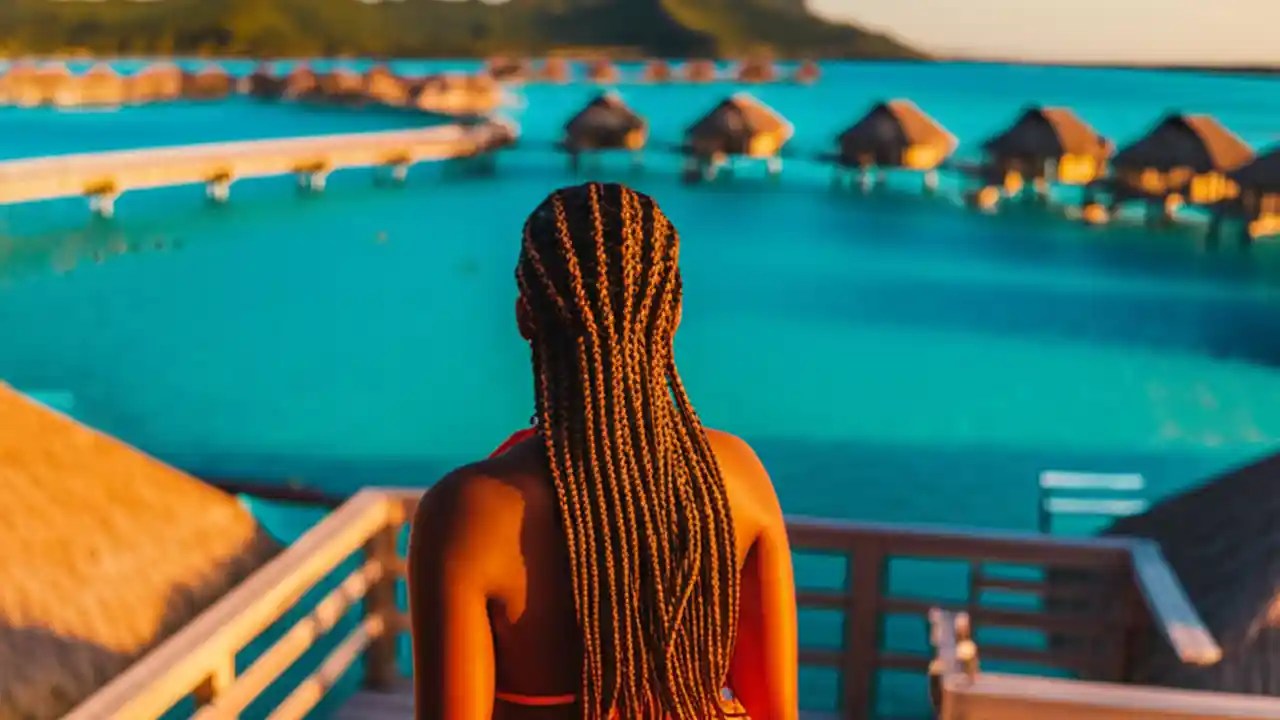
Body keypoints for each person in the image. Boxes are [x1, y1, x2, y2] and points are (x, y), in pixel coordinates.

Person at [409, 182, 798, 720]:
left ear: (526, 316)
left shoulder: (466, 513)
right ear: (673, 315)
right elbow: (777, 712)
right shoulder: (738, 478)